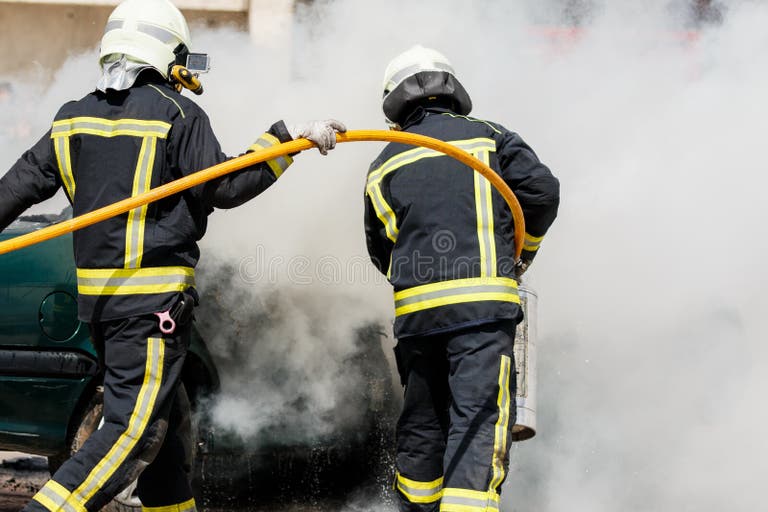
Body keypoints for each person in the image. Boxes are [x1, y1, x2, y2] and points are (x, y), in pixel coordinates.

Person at [0, 0, 345, 511]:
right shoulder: (177, 113)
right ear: (168, 54)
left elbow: (16, 189)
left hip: (103, 310)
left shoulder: (72, 118)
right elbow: (224, 186)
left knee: (165, 433)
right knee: (129, 436)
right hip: (152, 311)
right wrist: (288, 143)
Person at [363, 45, 560, 511]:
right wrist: (521, 251)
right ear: (453, 89)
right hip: (482, 315)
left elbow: (380, 247)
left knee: (423, 428)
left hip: (417, 320)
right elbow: (542, 193)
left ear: (395, 104)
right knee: (476, 425)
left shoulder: (383, 163)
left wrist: (419, 274)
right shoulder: (490, 138)